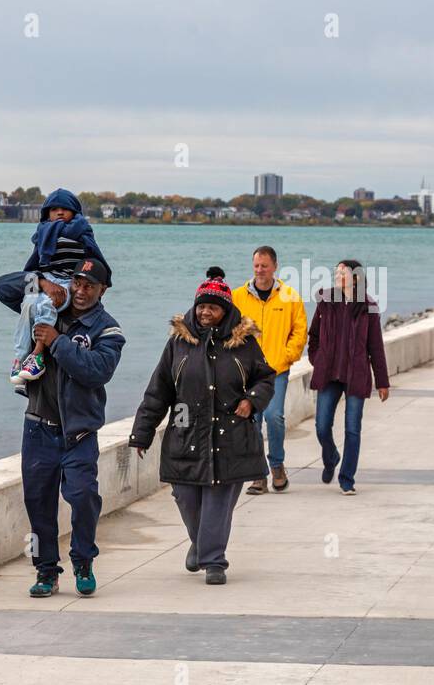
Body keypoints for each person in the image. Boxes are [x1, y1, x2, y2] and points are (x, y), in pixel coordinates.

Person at [129, 268, 275, 585]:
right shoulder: (178, 344)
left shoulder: (245, 343)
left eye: (213, 307)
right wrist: (142, 432)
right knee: (184, 495)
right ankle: (199, 543)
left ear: (225, 311)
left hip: (232, 435)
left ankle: (213, 561)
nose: (205, 312)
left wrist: (252, 400)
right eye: (201, 306)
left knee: (218, 502)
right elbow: (159, 390)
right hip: (186, 433)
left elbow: (265, 377)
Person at [0, 257, 126, 598]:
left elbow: (95, 371)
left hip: (79, 433)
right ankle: (45, 571)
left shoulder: (108, 330)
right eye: (77, 284)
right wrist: (40, 282)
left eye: (89, 287)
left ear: (103, 290)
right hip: (38, 427)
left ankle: (83, 560)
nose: (80, 292)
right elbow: (2, 287)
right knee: (38, 503)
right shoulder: (51, 305)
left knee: (82, 497)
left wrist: (56, 341)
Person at [307, 260, 390, 495]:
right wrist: (318, 359)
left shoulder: (368, 307)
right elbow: (313, 336)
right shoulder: (325, 302)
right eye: (336, 272)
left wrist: (382, 381)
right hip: (329, 374)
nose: (337, 275)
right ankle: (331, 456)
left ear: (355, 278)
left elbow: (376, 346)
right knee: (322, 426)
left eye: (343, 272)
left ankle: (346, 479)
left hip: (356, 374)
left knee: (352, 429)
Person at [232, 246, 308, 495]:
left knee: (274, 417)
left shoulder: (289, 296)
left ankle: (277, 465)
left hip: (276, 370)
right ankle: (258, 475)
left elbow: (299, 331)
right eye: (256, 265)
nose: (259, 270)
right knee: (252, 421)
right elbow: (228, 329)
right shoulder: (238, 296)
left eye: (264, 266)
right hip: (247, 372)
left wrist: (287, 356)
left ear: (275, 266)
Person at [12, 189, 109, 384]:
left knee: (48, 304)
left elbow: (95, 257)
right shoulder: (43, 233)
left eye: (65, 209)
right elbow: (33, 264)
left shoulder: (81, 231)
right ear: (47, 213)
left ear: (75, 212)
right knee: (27, 304)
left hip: (68, 280)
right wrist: (37, 280)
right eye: (54, 209)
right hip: (46, 277)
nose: (59, 212)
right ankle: (20, 359)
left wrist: (103, 284)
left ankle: (37, 355)